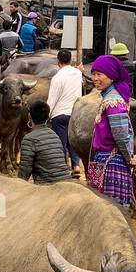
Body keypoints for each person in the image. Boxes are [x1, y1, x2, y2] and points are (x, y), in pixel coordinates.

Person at [86, 55, 136, 212]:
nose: (95, 78)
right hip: (106, 160)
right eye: (93, 74)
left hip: (112, 163)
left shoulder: (113, 102)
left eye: (99, 74)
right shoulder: (109, 97)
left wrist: (129, 158)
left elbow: (121, 135)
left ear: (112, 76)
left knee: (111, 213)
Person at [46, 48, 83, 176]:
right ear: (70, 60)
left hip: (60, 114)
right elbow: (79, 72)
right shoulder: (78, 74)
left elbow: (52, 99)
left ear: (58, 62)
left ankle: (63, 166)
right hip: (75, 113)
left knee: (60, 142)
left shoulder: (57, 77)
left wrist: (47, 115)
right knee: (72, 141)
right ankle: (76, 165)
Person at [19, 100, 70, 184]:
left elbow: (24, 173)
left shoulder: (29, 139)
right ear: (47, 117)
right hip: (66, 183)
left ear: (29, 117)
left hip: (47, 187)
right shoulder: (55, 135)